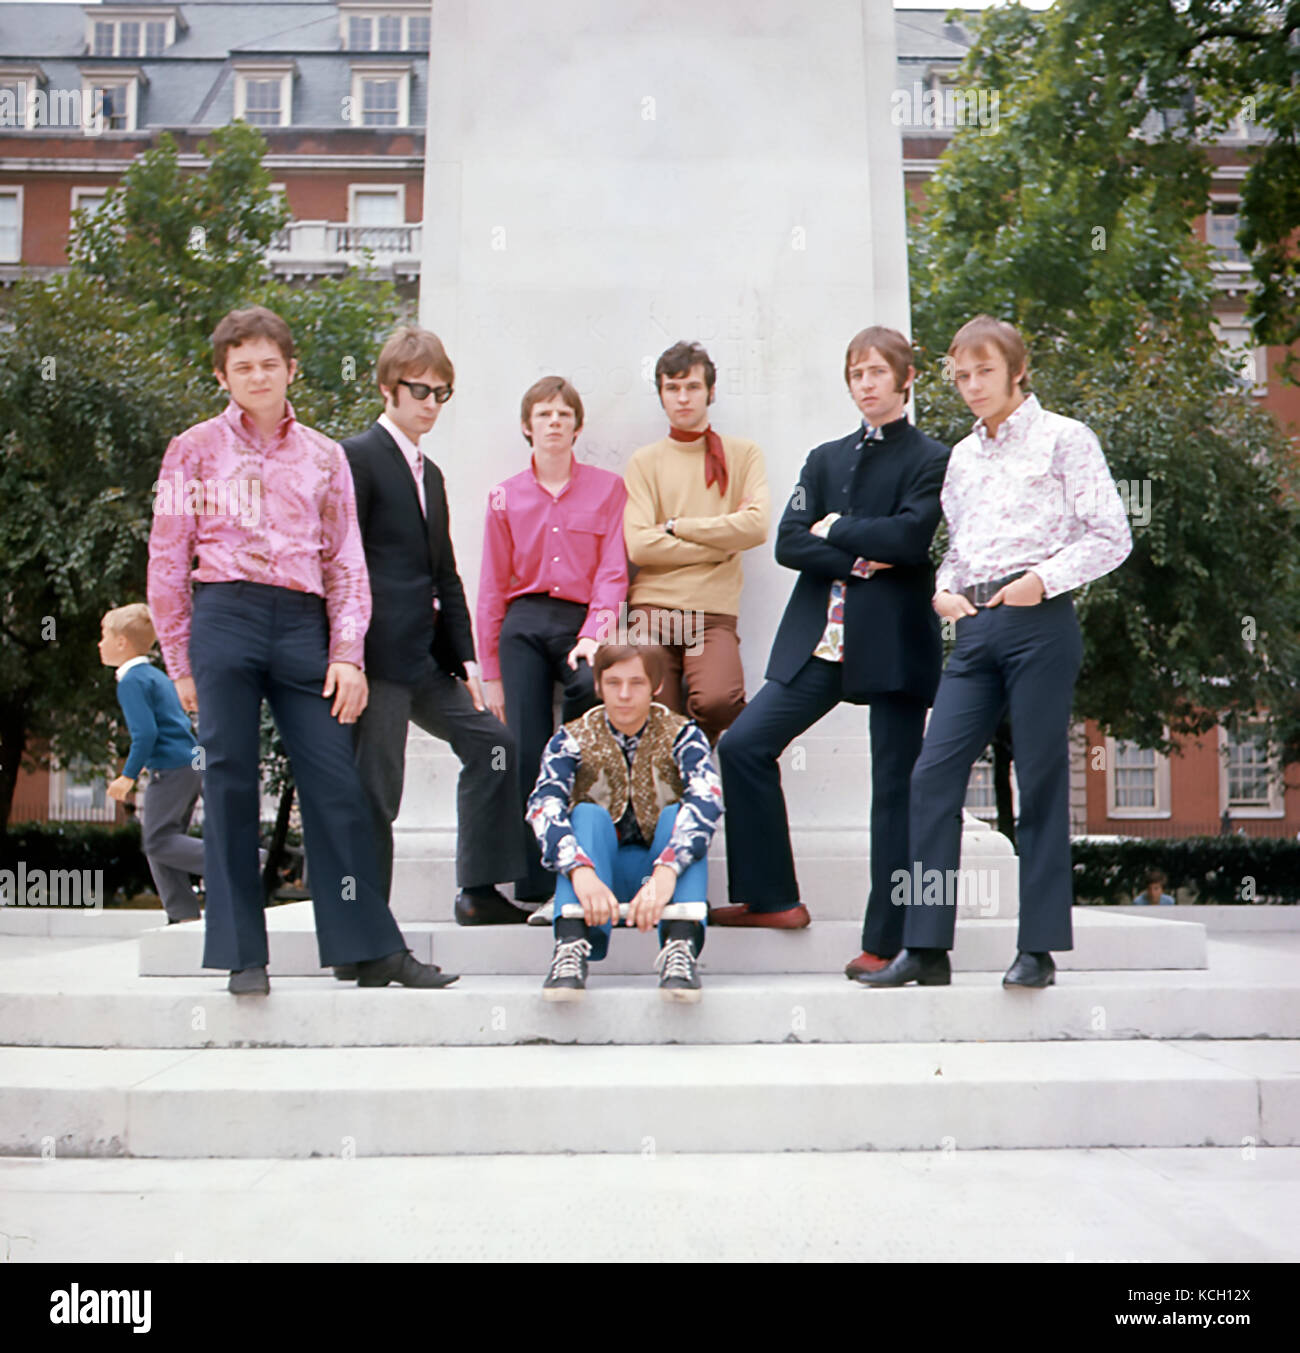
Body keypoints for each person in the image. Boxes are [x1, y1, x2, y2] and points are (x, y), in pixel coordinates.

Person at [147, 305, 456, 995]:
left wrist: (347, 653)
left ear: (291, 369)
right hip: (223, 616)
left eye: (269, 363)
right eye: (243, 366)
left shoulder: (324, 455)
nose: (257, 376)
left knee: (337, 784)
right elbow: (167, 561)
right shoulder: (191, 449)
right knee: (229, 781)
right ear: (223, 375)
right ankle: (240, 955)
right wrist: (180, 663)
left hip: (302, 626)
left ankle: (369, 948)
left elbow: (347, 559)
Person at [860, 315, 1133, 991]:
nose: (972, 385)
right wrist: (945, 588)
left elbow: (1111, 533)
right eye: (960, 375)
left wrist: (1042, 580)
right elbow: (959, 544)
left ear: (1017, 370)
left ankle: (1037, 948)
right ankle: (925, 947)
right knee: (931, 777)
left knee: (1039, 782)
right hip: (974, 628)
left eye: (984, 371)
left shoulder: (1065, 439)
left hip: (1039, 620)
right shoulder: (961, 457)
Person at [714, 328, 949, 970]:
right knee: (742, 745)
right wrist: (859, 555)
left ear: (906, 378)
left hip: (893, 645)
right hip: (819, 641)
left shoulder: (933, 458)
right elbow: (789, 542)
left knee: (893, 789)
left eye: (877, 372)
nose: (865, 384)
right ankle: (771, 897)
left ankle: (885, 942)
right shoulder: (822, 459)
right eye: (855, 374)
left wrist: (836, 528)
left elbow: (909, 539)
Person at [342, 326, 530, 933]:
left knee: (494, 747)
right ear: (386, 388)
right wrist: (346, 655)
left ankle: (477, 891)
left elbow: (446, 573)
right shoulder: (358, 456)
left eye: (441, 393)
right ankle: (366, 928)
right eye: (419, 390)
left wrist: (469, 665)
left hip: (427, 660)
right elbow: (340, 562)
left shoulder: (433, 475)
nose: (430, 403)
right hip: (374, 659)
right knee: (378, 792)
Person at [477, 375, 628, 905]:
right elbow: (492, 588)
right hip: (523, 623)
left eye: (564, 414)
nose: (554, 423)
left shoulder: (608, 489)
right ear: (527, 426)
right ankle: (536, 879)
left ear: (578, 426)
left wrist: (594, 635)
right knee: (524, 747)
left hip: (578, 623)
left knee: (585, 706)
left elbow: (613, 573)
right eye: (544, 414)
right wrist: (489, 672)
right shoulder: (504, 497)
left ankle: (586, 858)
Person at [526, 644, 722, 1002]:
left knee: (680, 814)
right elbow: (543, 804)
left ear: (656, 687)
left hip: (660, 875)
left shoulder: (683, 734)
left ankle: (680, 947)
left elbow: (707, 800)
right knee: (585, 813)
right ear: (598, 687)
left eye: (636, 683)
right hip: (597, 875)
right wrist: (578, 870)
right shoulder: (571, 738)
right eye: (613, 682)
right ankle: (570, 946)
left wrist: (666, 872)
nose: (625, 694)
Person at [622, 341, 770, 743]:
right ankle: (677, 788)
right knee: (651, 714)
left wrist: (675, 525)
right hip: (652, 610)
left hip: (712, 613)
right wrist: (720, 544)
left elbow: (756, 527)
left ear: (711, 392)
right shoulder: (644, 462)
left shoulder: (743, 455)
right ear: (661, 395)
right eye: (672, 388)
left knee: (720, 701)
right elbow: (639, 547)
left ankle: (693, 761)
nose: (682, 397)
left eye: (691, 387)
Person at [99, 603, 205, 924]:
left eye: (104, 636)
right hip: (189, 766)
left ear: (122, 643)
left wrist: (127, 776)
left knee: (158, 841)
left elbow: (145, 733)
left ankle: (246, 861)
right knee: (162, 843)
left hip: (171, 769)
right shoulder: (155, 675)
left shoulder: (131, 681)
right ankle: (183, 916)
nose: (99, 643)